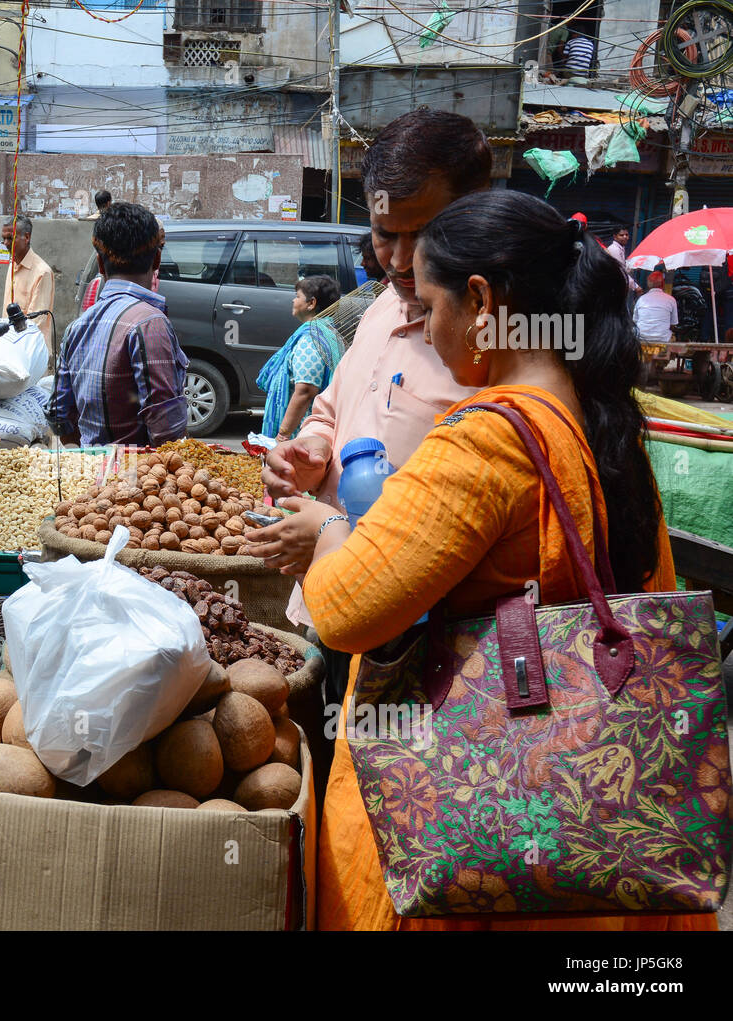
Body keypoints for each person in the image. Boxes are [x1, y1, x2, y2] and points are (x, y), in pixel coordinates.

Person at [295, 189, 709, 932]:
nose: (419, 324)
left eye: (427, 304)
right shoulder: (596, 415)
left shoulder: (486, 442)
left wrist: (328, 528)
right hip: (582, 817)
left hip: (475, 831)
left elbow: (343, 610)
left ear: (480, 299)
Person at [246, 108, 489, 716]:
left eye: (425, 232)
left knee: (388, 794)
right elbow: (332, 403)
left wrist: (332, 531)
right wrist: (311, 448)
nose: (402, 260)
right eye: (386, 234)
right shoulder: (382, 305)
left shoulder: (492, 344)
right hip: (329, 605)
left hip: (421, 646)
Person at [49, 201, 187, 446]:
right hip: (137, 479)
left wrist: (90, 456)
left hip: (91, 474)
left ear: (101, 266)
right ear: (157, 261)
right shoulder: (150, 324)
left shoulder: (77, 328)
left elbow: (59, 415)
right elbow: (168, 435)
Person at [259, 275, 343, 442]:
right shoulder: (329, 333)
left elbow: (305, 391)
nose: (293, 300)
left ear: (311, 303)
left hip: (302, 435)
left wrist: (283, 435)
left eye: (297, 296)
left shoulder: (311, 340)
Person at [2, 215, 55, 347]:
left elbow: (35, 322)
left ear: (26, 237)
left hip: (30, 349)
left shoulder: (42, 272)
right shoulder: (12, 265)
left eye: (10, 238)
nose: (6, 243)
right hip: (10, 344)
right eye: (4, 239)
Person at [634, 270, 678, 344]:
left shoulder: (641, 299)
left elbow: (635, 320)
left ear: (648, 284)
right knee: (673, 339)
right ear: (663, 284)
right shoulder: (671, 299)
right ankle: (670, 356)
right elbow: (673, 323)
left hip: (642, 338)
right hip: (664, 339)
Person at [605, 226, 642, 297]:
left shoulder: (620, 248)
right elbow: (621, 272)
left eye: (627, 235)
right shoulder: (614, 249)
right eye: (621, 235)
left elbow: (624, 268)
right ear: (615, 236)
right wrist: (635, 286)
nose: (625, 237)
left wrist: (635, 266)